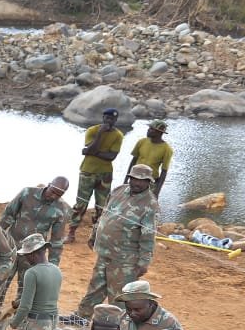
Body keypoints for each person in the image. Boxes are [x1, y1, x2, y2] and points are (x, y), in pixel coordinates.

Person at [76, 165, 157, 318]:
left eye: (142, 181)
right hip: (104, 251)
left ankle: (120, 326)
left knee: (119, 295)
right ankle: (82, 316)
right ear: (130, 178)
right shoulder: (118, 191)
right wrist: (94, 234)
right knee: (95, 287)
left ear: (148, 182)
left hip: (125, 260)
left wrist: (143, 262)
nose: (137, 183)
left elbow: (148, 237)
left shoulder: (149, 204)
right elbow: (104, 214)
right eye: (134, 179)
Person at [0, 177, 69, 302]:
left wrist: (51, 266)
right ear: (48, 185)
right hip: (11, 246)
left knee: (26, 286)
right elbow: (8, 215)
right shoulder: (27, 193)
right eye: (53, 191)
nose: (53, 196)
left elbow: (56, 242)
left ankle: (18, 314)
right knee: (0, 280)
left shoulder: (61, 209)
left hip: (33, 254)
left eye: (59, 195)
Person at [70, 108, 123, 243]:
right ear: (103, 118)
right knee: (81, 203)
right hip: (87, 171)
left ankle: (95, 236)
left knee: (102, 206)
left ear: (116, 120)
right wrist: (99, 135)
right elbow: (91, 148)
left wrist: (90, 152)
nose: (110, 121)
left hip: (105, 174)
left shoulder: (118, 135)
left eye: (112, 119)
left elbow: (111, 157)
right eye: (107, 118)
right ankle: (71, 233)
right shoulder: (93, 130)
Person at [127, 120, 173, 197]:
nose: (148, 130)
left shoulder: (167, 149)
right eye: (149, 128)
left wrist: (157, 191)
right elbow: (133, 161)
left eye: (151, 129)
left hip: (150, 181)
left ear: (159, 132)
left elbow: (164, 171)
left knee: (146, 205)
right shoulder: (141, 142)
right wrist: (126, 180)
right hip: (134, 179)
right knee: (129, 200)